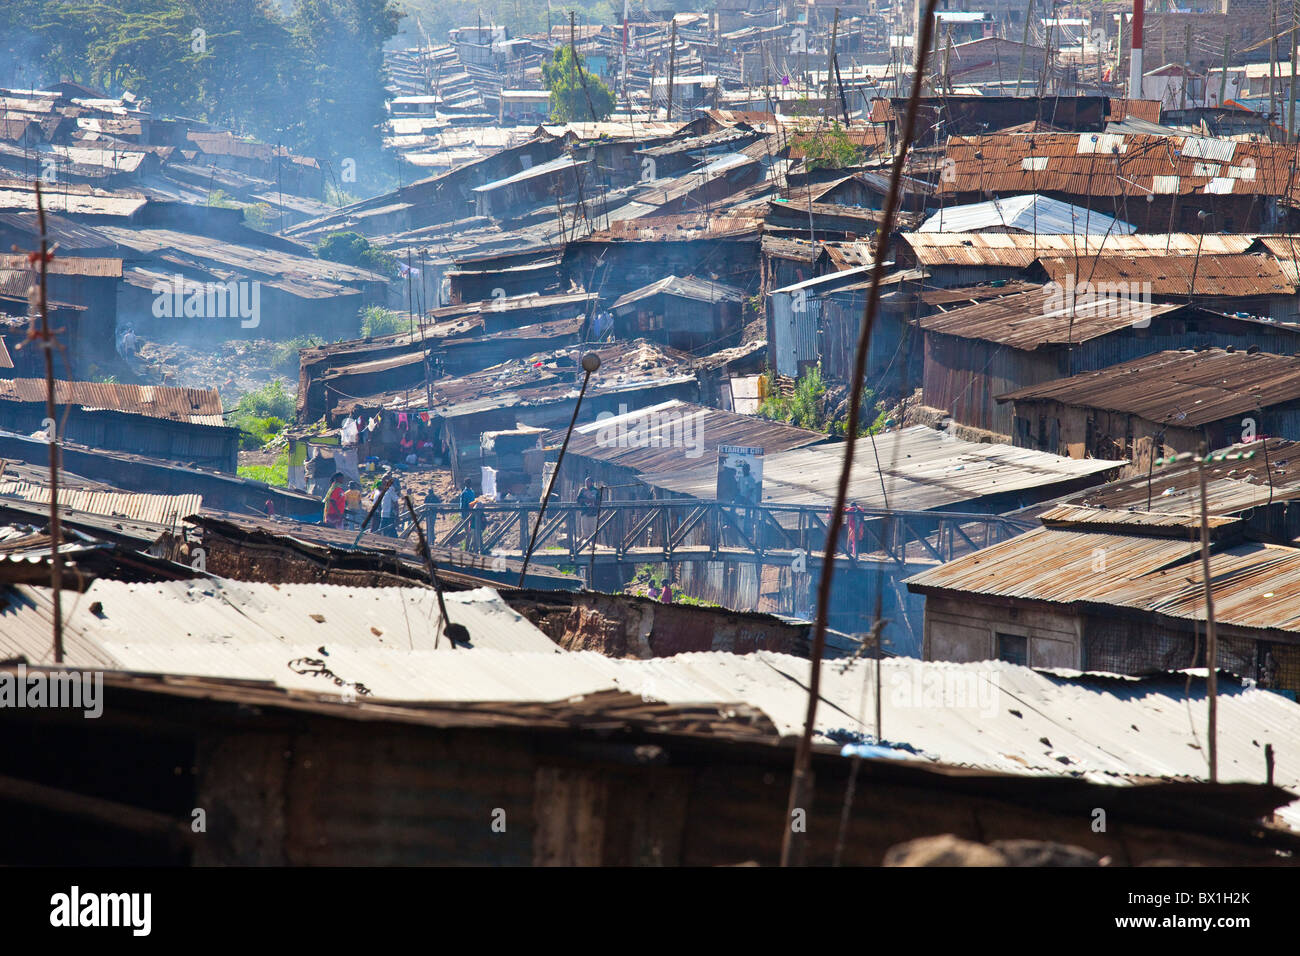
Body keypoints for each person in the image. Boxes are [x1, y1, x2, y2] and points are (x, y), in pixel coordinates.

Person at [575, 476, 600, 546]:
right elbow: (578, 499)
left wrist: (593, 501)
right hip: (584, 512)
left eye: (588, 482)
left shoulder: (596, 491)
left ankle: (592, 546)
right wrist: (585, 500)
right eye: (586, 482)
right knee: (585, 532)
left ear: (592, 483)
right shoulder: (582, 490)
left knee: (593, 531)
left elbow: (599, 500)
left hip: (593, 512)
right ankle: (578, 544)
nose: (587, 484)